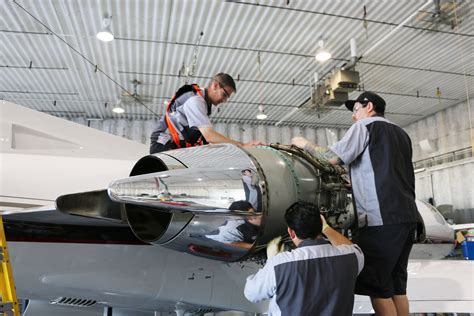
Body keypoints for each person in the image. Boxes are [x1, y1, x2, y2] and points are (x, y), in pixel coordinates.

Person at [291, 91, 418, 316]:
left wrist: (305, 144)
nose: (353, 116)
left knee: (377, 286)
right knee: (397, 284)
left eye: (356, 110)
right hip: (408, 218)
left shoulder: (365, 127)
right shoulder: (401, 133)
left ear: (369, 107)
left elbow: (330, 157)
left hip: (381, 220)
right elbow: (383, 171)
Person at [244, 201, 364, 316]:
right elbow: (351, 247)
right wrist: (326, 228)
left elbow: (251, 293)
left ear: (291, 233)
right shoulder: (351, 257)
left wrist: (271, 263)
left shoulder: (279, 265)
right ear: (320, 225)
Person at [150, 73, 263, 153]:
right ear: (215, 86)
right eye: (224, 95)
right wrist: (242, 145)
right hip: (163, 143)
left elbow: (206, 139)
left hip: (174, 144)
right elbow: (209, 136)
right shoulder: (196, 101)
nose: (224, 101)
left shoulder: (204, 105)